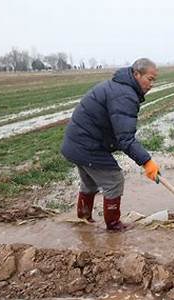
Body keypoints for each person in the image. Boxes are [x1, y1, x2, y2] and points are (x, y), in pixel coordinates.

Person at [61, 58, 160, 231]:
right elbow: (125, 138)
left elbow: (117, 132)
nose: (151, 85)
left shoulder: (120, 88)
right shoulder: (125, 95)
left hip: (77, 142)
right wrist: (147, 162)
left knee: (90, 183)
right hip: (86, 144)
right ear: (136, 74)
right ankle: (114, 227)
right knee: (114, 180)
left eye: (154, 80)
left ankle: (83, 222)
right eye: (149, 79)